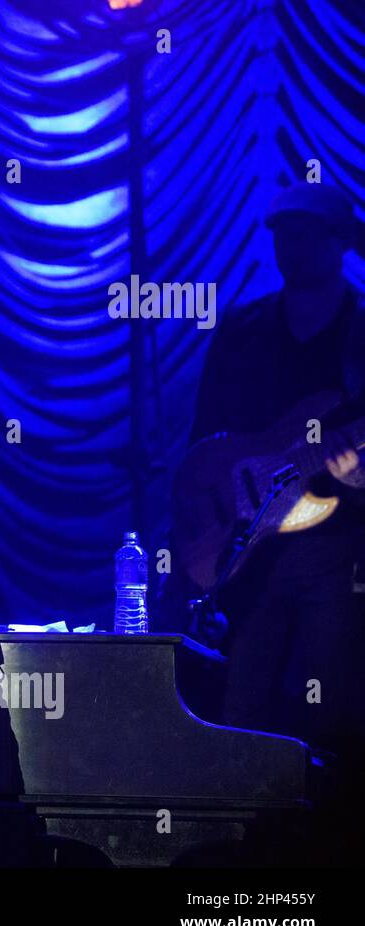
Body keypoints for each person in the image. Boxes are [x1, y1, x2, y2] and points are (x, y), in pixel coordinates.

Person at [187, 183, 365, 751]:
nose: (291, 244)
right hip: (250, 554)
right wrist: (208, 513)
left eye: (306, 232)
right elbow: (203, 444)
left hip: (335, 553)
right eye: (283, 232)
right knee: (239, 714)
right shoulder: (242, 332)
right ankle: (243, 838)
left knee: (328, 719)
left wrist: (358, 482)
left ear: (340, 241)